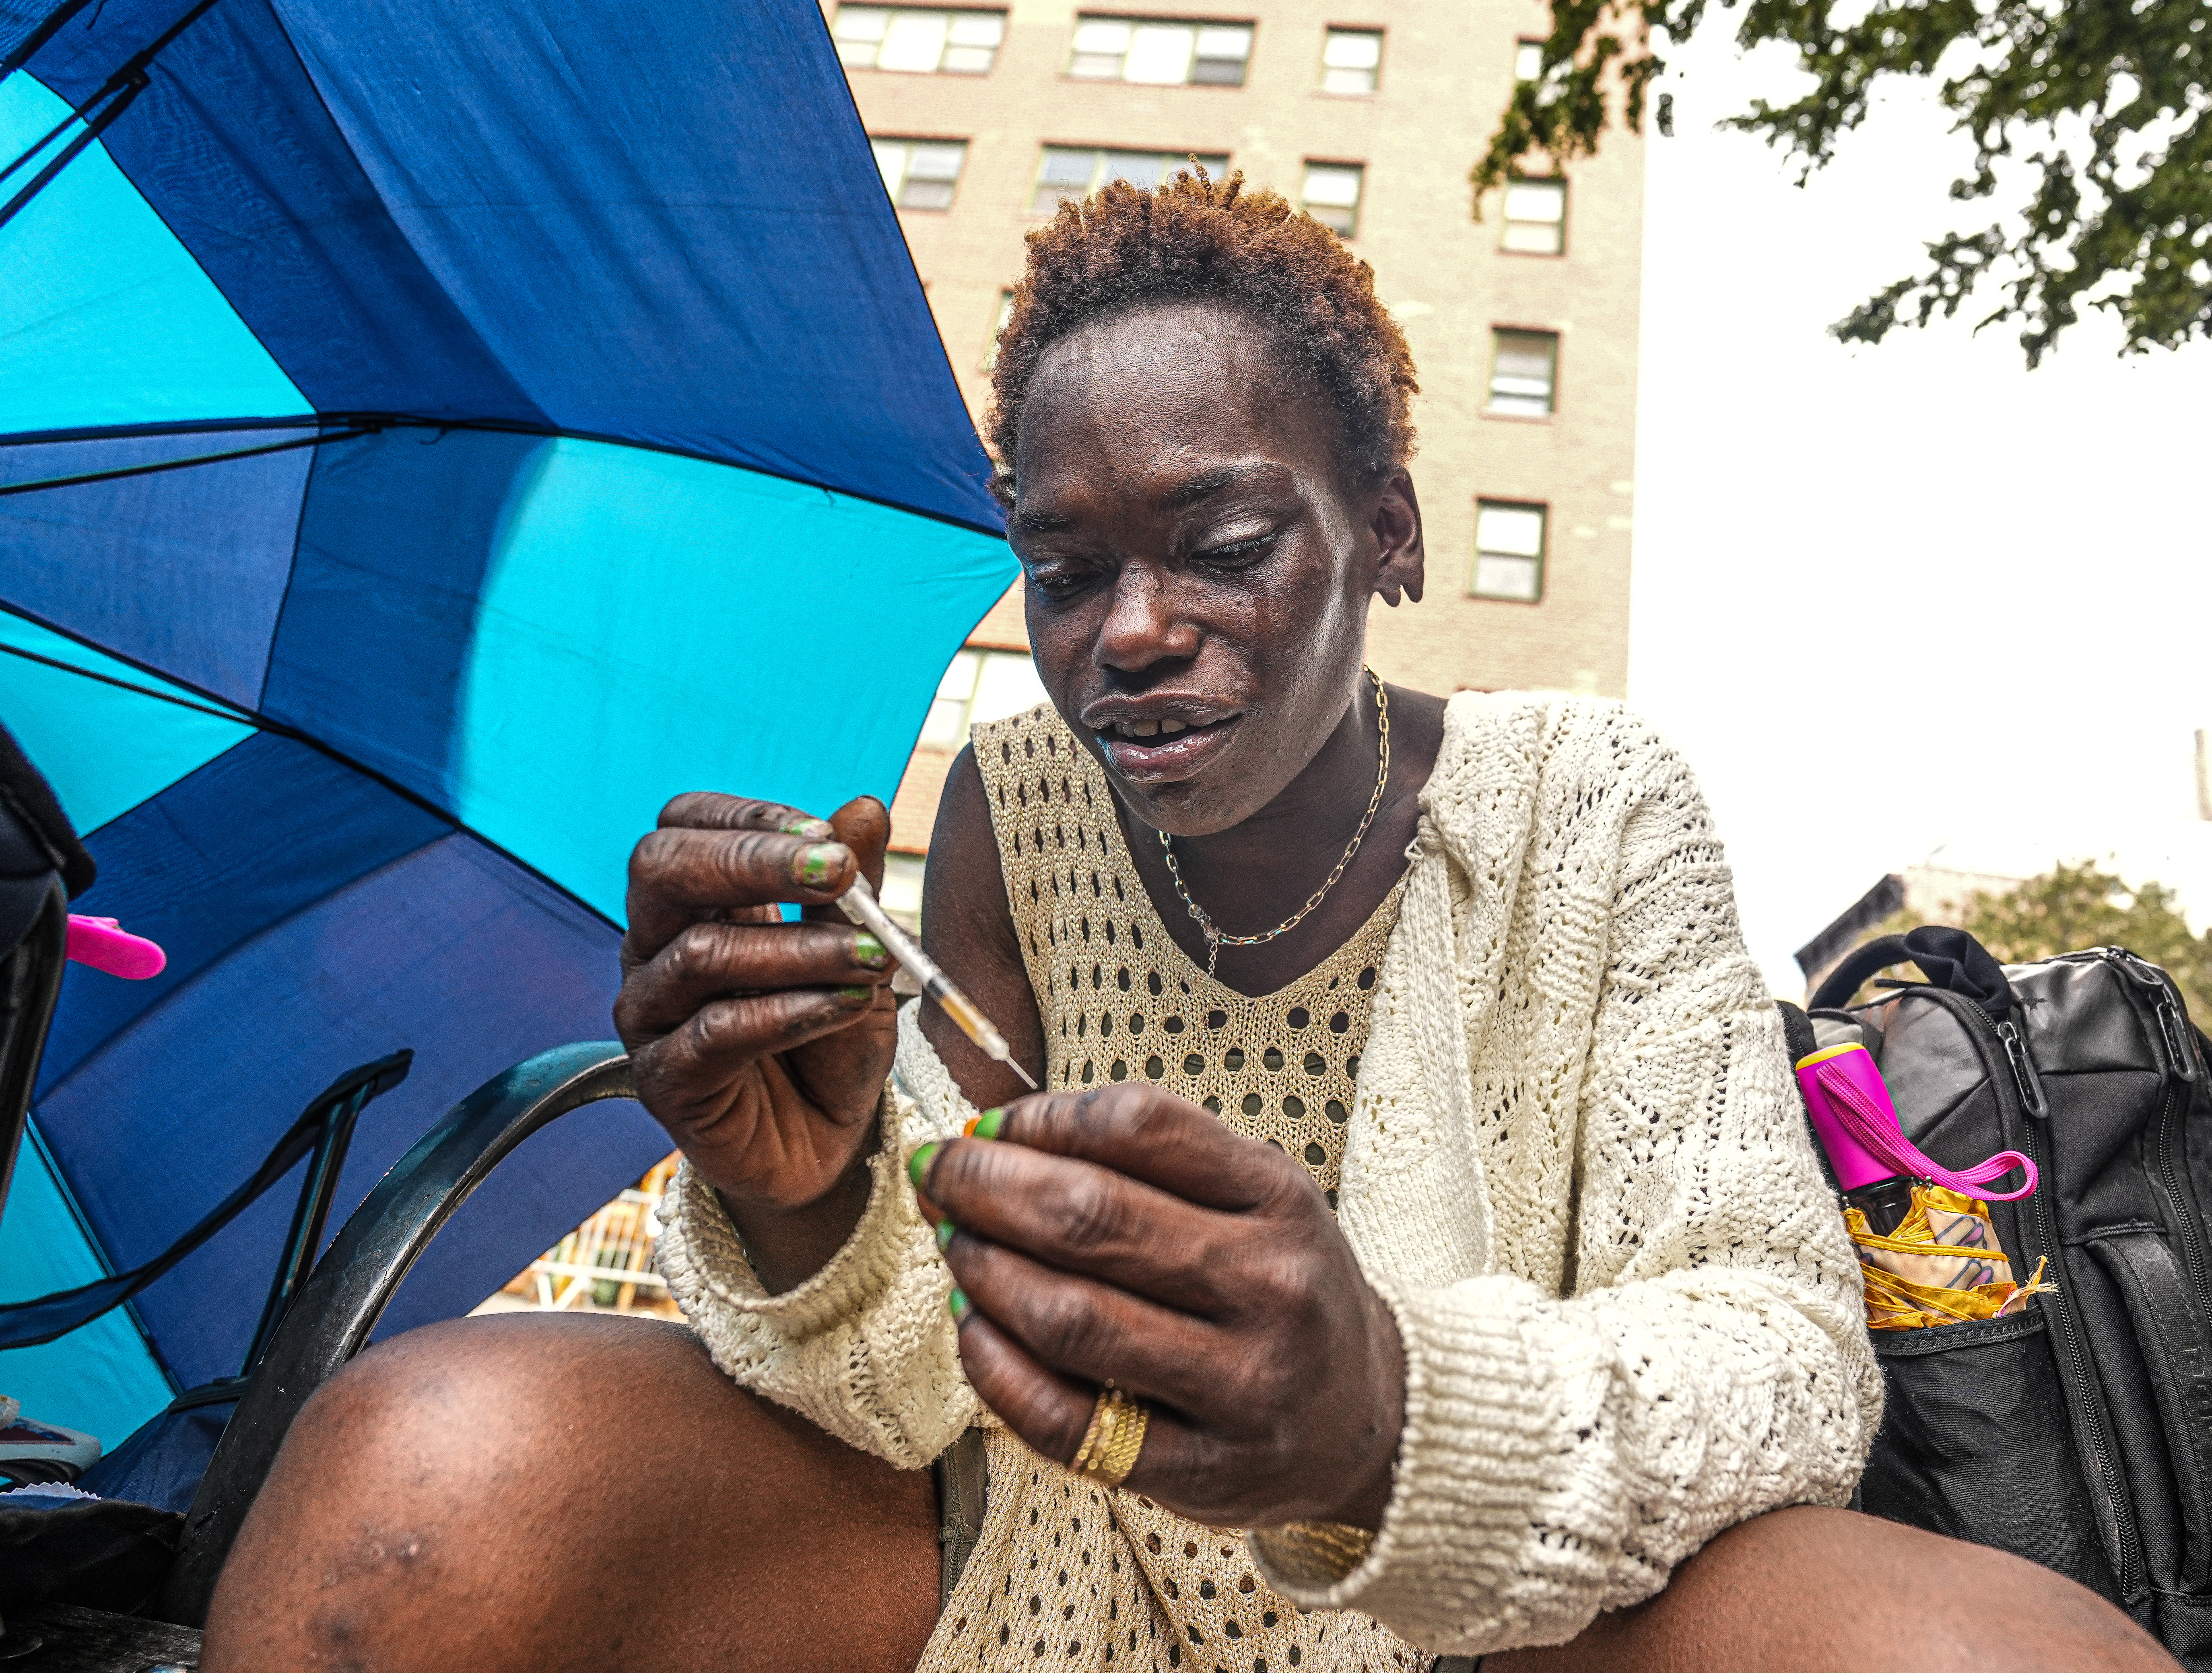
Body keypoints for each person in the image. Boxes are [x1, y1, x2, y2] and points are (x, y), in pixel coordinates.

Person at [201, 170, 2171, 1673]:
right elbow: (908, 1379)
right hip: (1047, 1559)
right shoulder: (1015, 805)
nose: (1127, 634)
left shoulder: (1592, 799)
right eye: (1063, 573)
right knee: (434, 1461)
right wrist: (808, 1200)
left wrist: (1379, 1415)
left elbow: (1781, 1362)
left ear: (1386, 534)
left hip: (1503, 1602)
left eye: (1222, 546)